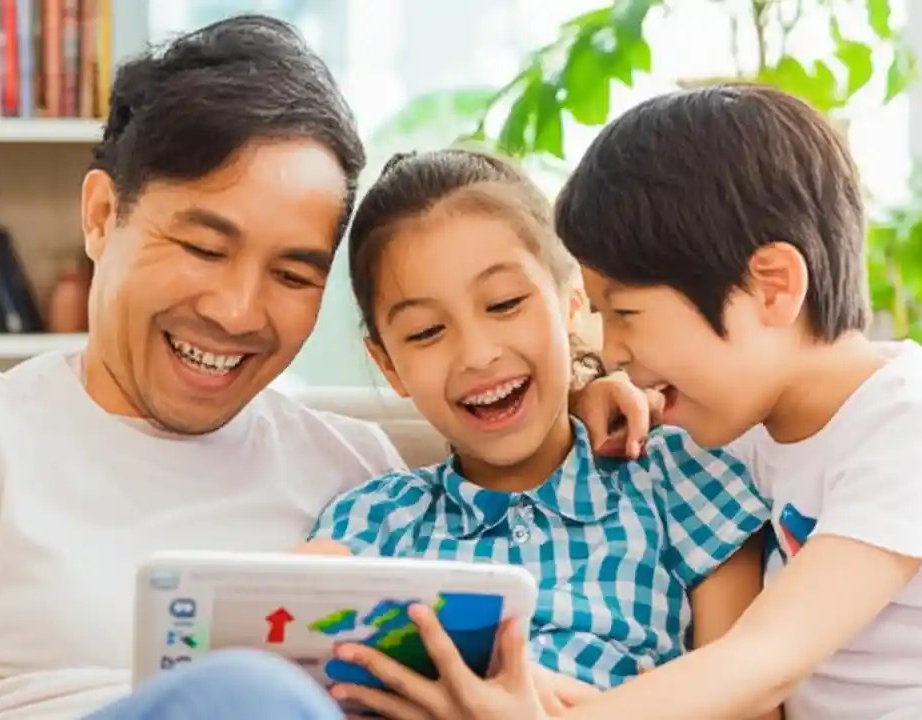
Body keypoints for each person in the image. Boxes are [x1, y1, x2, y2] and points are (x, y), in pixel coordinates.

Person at [0, 14, 648, 720]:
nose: (236, 312)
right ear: (104, 215)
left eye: (293, 273)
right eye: (202, 246)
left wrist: (589, 380)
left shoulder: (361, 478)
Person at [344, 84, 922, 720]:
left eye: (624, 313)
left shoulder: (916, 431)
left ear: (771, 289)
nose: (615, 347)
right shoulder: (744, 422)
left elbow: (765, 656)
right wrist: (581, 390)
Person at [295, 148, 773, 719]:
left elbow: (752, 703)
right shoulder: (375, 521)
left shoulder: (675, 478)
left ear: (572, 303)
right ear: (388, 365)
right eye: (425, 332)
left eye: (505, 303)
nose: (477, 354)